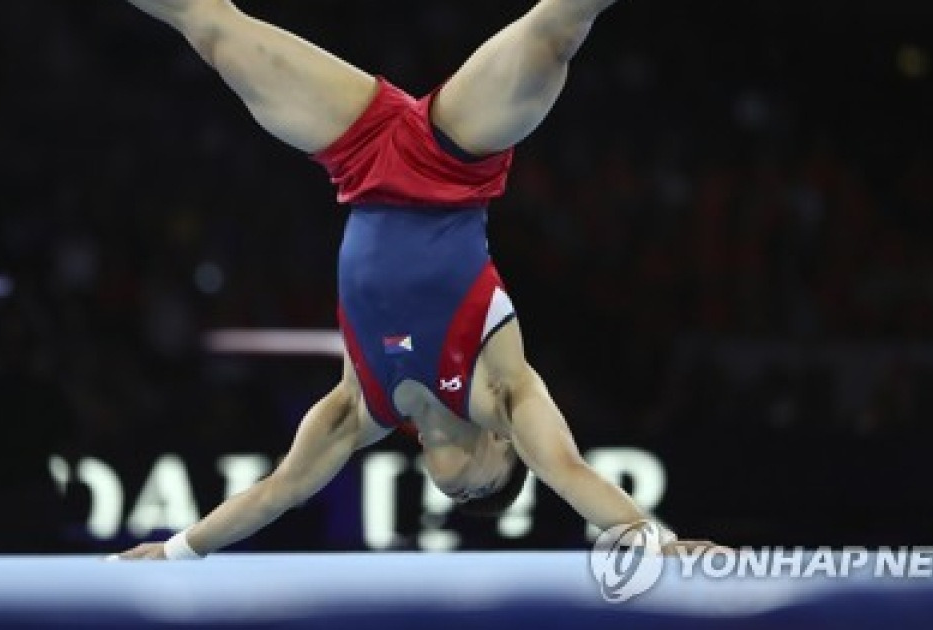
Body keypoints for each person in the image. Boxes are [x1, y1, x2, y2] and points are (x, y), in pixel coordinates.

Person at [115, 0, 715, 559]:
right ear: (504, 447)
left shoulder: (361, 408)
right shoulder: (501, 391)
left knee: (212, 28)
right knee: (555, 29)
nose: (452, 492)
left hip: (360, 154)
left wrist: (174, 550)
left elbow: (280, 492)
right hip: (455, 159)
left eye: (456, 502)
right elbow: (567, 470)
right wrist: (658, 543)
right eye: (476, 492)